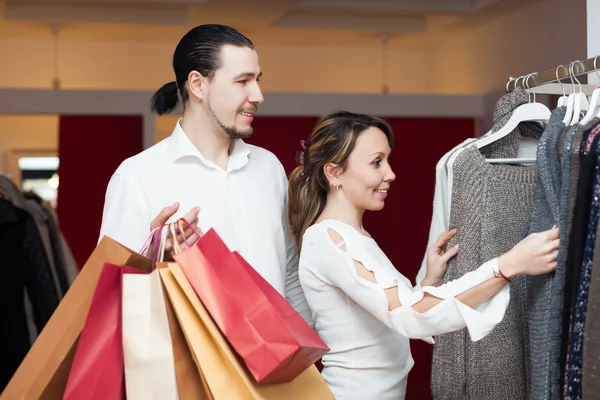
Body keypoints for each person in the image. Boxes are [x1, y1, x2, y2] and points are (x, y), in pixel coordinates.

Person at [288, 111, 559, 399]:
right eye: (376, 162)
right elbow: (408, 316)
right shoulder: (330, 239)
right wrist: (507, 266)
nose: (390, 173)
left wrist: (428, 281)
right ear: (334, 173)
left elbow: (389, 320)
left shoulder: (351, 237)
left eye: (387, 160)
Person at [98, 24, 311, 324]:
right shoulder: (137, 177)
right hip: (187, 368)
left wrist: (303, 360)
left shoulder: (269, 168)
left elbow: (289, 272)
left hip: (277, 367)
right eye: (242, 81)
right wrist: (152, 260)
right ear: (197, 84)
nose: (258, 95)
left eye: (257, 80)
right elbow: (108, 297)